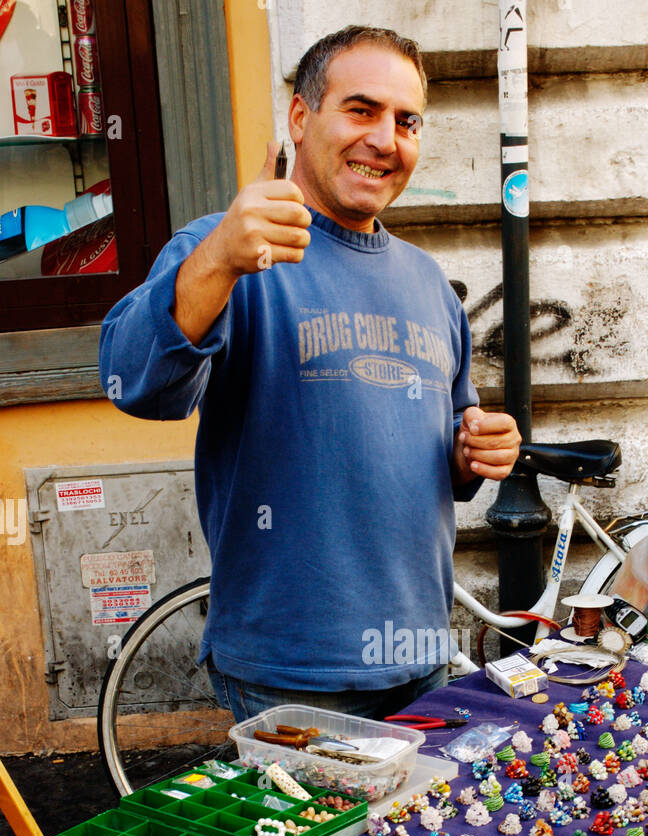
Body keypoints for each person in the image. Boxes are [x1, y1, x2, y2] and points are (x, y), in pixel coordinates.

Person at [99, 25, 521, 722]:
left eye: (406, 121)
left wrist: (476, 451)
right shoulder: (230, 247)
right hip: (290, 672)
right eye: (361, 110)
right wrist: (220, 259)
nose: (386, 139)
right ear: (300, 117)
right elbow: (134, 382)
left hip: (419, 657)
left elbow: (444, 455)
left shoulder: (428, 284)